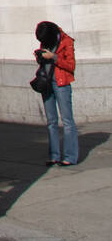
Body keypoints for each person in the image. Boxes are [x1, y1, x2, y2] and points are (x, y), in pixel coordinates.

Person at [35, 20, 78, 166]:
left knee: (67, 121)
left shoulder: (66, 41)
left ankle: (70, 156)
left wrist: (53, 57)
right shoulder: (45, 40)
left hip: (61, 83)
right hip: (46, 83)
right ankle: (54, 155)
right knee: (51, 122)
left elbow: (71, 66)